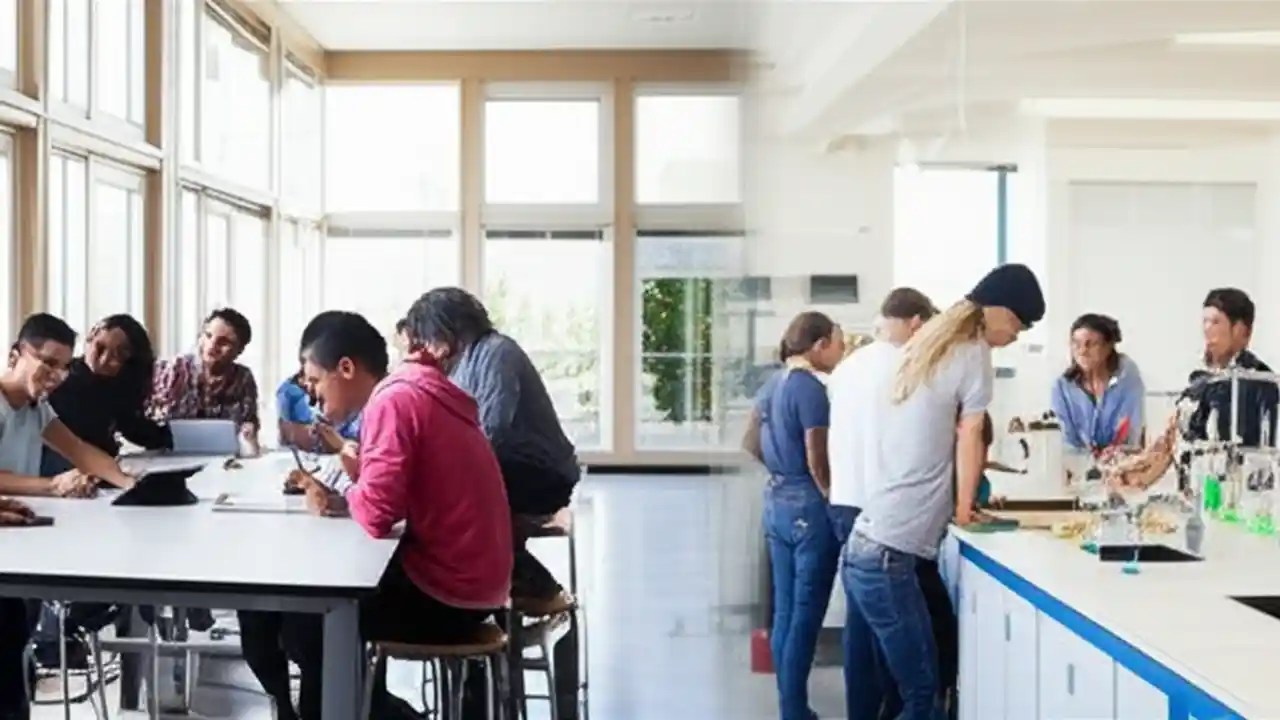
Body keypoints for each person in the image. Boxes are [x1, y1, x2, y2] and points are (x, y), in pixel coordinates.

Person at [286, 311, 512, 719]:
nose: (313, 396)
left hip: (449, 592)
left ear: (346, 368)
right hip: (479, 583)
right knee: (320, 622)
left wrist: (347, 494)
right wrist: (353, 495)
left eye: (315, 381)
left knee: (309, 624)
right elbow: (396, 496)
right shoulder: (416, 389)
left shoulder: (393, 401)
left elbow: (376, 515)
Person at [843, 264, 1044, 720]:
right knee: (922, 694)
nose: (1016, 335)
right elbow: (970, 433)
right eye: (1018, 323)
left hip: (869, 544)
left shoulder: (930, 345)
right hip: (890, 553)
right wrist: (965, 507)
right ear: (997, 310)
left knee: (903, 691)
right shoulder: (974, 352)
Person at [401, 287, 581, 717]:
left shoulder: (497, 353)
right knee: (452, 516)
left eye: (426, 339)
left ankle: (489, 649)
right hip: (507, 469)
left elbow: (490, 433)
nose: (424, 352)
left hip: (540, 475)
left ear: (446, 334)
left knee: (455, 521)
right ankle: (483, 658)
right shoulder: (463, 363)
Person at [0, 314, 139, 720]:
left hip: (20, 540)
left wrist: (129, 482)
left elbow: (78, 449)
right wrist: (52, 486)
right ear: (15, 355)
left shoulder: (35, 408)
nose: (56, 376)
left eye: (63, 367)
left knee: (15, 650)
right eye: (47, 363)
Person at [742, 311, 845, 720]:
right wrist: (832, 497)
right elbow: (817, 457)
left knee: (784, 613)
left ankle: (792, 707)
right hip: (808, 509)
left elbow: (750, 442)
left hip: (776, 503)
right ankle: (795, 711)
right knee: (806, 616)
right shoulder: (811, 390)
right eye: (838, 343)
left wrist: (781, 469)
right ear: (820, 345)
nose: (841, 352)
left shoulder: (771, 385)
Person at [1109, 288, 1278, 490]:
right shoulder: (1201, 380)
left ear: (1240, 330)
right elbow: (1172, 442)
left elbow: (1251, 457)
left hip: (1234, 496)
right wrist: (1137, 475)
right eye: (1205, 321)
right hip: (1195, 493)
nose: (1207, 329)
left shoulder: (1256, 382)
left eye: (1215, 322)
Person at [828, 287, 937, 546]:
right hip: (885, 503)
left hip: (843, 495)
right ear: (916, 323)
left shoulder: (846, 367)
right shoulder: (910, 368)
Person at [41, 314, 171, 476]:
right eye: (100, 348)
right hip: (61, 470)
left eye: (117, 356)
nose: (103, 360)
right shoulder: (61, 379)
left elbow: (134, 428)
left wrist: (176, 435)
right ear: (91, 336)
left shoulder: (117, 389)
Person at [148, 307, 261, 456]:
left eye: (223, 342)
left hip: (224, 459)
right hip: (168, 456)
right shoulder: (173, 369)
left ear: (239, 350)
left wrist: (249, 434)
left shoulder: (243, 378)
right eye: (208, 336)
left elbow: (249, 427)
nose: (212, 345)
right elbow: (148, 418)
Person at [1050, 313, 1145, 452]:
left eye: (1091, 344)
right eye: (1076, 344)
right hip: (1076, 460)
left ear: (1108, 347)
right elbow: (1065, 438)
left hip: (1121, 459)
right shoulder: (1062, 386)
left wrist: (1113, 455)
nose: (1082, 351)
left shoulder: (1128, 381)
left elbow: (1129, 433)